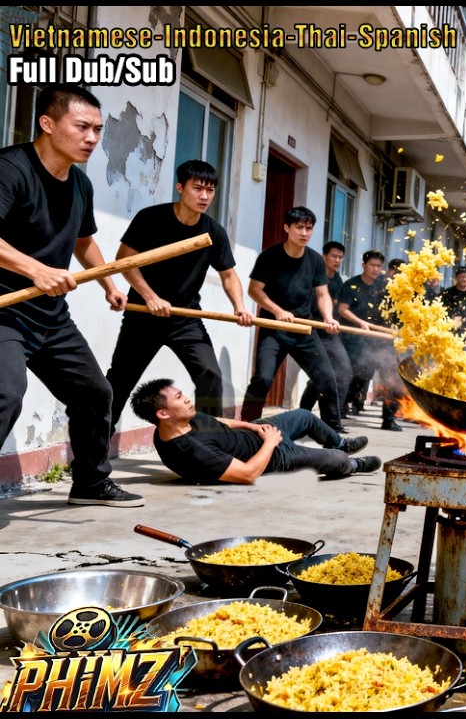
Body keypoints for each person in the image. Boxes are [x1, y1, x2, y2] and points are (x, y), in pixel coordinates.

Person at [0, 84, 140, 507]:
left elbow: (83, 240)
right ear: (47, 123)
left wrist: (110, 284)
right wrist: (36, 269)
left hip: (49, 316)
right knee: (6, 392)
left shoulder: (80, 184)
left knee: (95, 393)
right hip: (6, 309)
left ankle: (91, 484)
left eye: (98, 129)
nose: (93, 138)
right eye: (82, 127)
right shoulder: (10, 169)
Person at [105, 159, 252, 433]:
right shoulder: (151, 218)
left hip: (185, 317)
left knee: (211, 376)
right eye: (197, 189)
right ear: (180, 188)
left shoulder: (214, 231)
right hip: (143, 314)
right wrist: (149, 297)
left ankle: (210, 444)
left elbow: (229, 274)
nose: (204, 196)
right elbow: (125, 260)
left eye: (210, 191)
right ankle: (94, 451)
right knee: (120, 380)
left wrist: (239, 307)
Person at [131, 379, 378, 485]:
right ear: (162, 413)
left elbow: (217, 421)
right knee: (337, 460)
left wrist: (253, 426)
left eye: (182, 393)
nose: (186, 398)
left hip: (261, 435)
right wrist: (270, 442)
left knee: (304, 415)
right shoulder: (191, 451)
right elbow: (248, 475)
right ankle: (352, 463)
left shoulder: (177, 422)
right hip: (272, 458)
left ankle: (340, 442)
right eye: (178, 397)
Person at [240, 207, 343, 431]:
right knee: (263, 379)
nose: (304, 233)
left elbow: (322, 294)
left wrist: (328, 317)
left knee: (327, 380)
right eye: (299, 227)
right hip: (274, 330)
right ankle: (245, 429)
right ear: (287, 228)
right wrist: (277, 310)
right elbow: (254, 290)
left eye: (309, 228)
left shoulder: (315, 260)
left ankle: (334, 437)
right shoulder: (270, 256)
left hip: (304, 331)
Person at [337, 250, 401, 431]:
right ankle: (342, 407)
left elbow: (395, 309)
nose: (375, 269)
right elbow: (342, 309)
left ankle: (389, 418)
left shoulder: (385, 286)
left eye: (379, 266)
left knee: (391, 376)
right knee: (358, 375)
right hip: (357, 337)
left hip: (381, 339)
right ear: (363, 264)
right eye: (372, 265)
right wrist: (361, 323)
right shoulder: (351, 285)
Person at [301, 241, 353, 419]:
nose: (337, 260)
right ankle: (304, 415)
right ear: (324, 256)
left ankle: (333, 419)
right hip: (312, 331)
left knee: (344, 372)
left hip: (330, 333)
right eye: (334, 256)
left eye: (340, 257)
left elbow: (336, 306)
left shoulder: (337, 280)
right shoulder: (314, 275)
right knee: (320, 376)